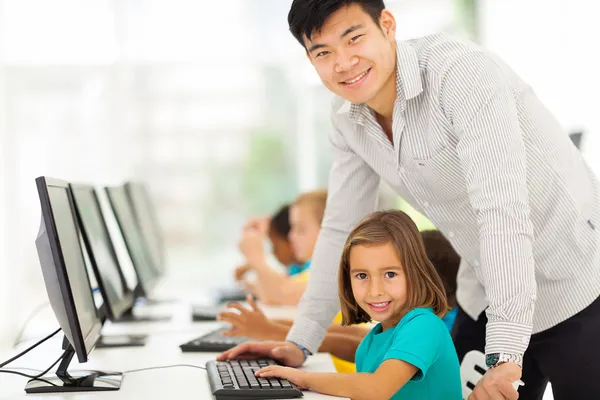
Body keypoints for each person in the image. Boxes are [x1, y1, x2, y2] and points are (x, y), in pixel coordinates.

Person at [219, 1, 600, 399]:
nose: (344, 63)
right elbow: (340, 227)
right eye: (323, 52)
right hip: (487, 288)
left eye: (354, 38)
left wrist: (505, 352)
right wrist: (301, 341)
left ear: (386, 24)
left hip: (576, 284)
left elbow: (501, 212)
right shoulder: (347, 116)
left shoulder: (462, 76)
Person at [219, 210, 462, 399]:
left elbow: (376, 389)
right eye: (362, 276)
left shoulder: (423, 325)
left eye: (390, 274)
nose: (375, 291)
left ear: (416, 273)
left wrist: (304, 378)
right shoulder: (379, 335)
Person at [235, 190, 327, 305]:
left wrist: (255, 257)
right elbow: (273, 296)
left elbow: (284, 294)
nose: (291, 236)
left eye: (300, 229)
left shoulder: (340, 275)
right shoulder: (314, 272)